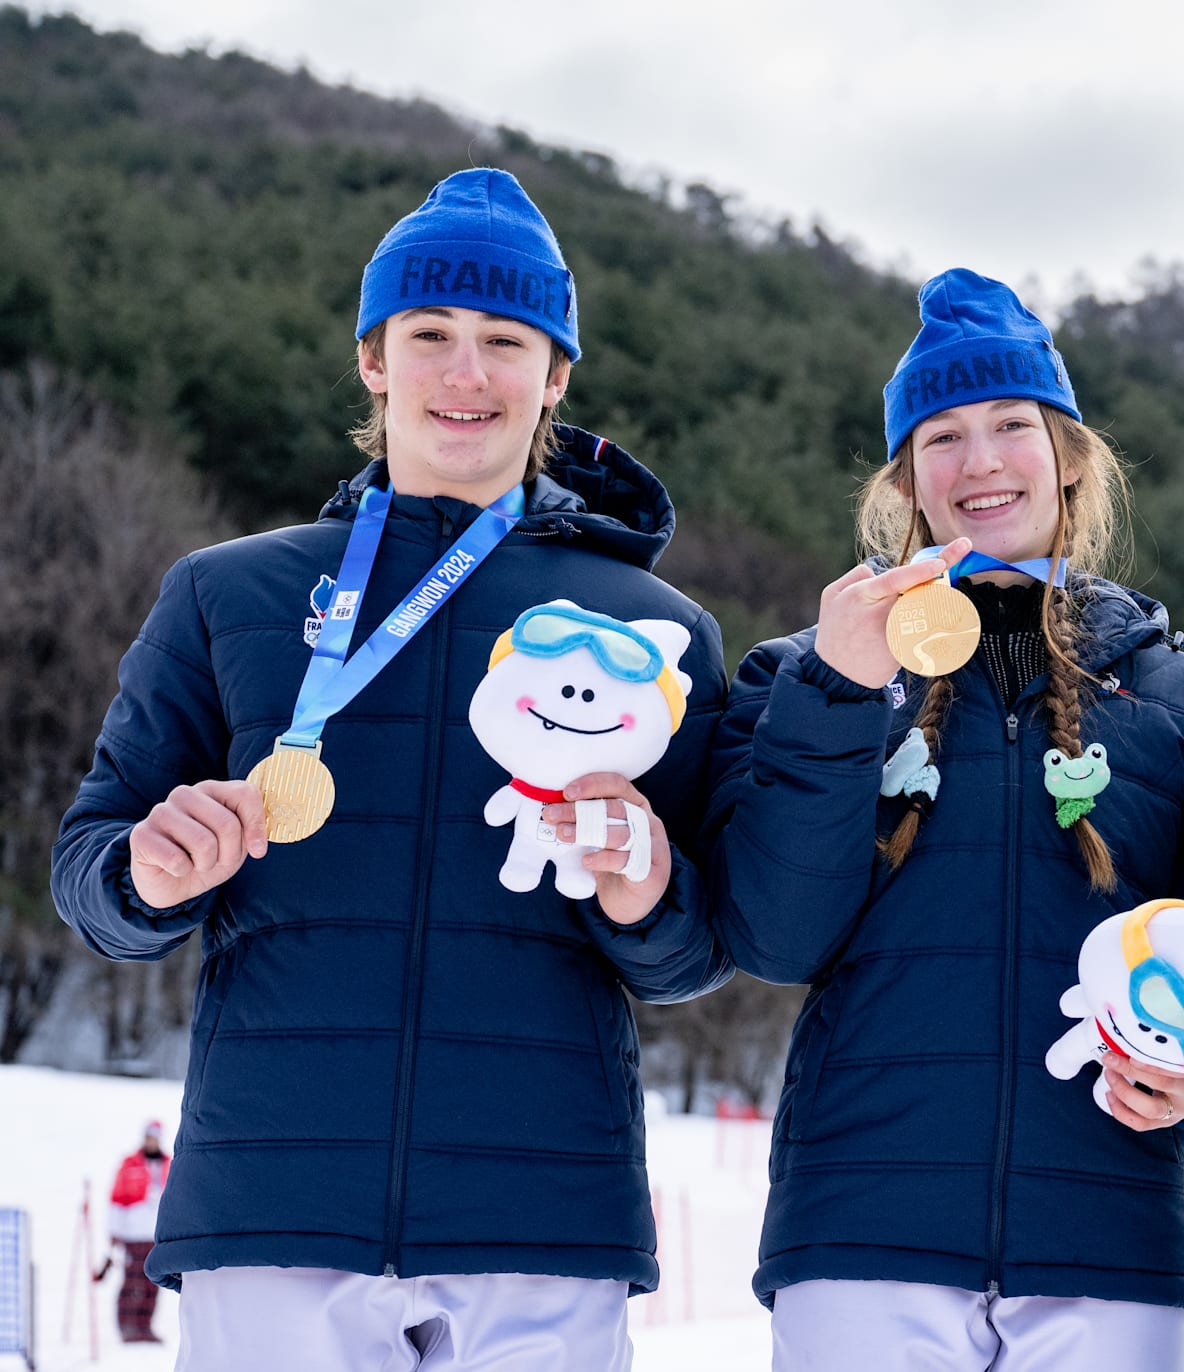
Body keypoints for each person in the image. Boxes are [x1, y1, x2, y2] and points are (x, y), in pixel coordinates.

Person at [51, 168, 731, 1369]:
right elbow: (90, 862)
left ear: (556, 376)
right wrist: (146, 874)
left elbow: (690, 950)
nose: (466, 372)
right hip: (275, 1201)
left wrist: (646, 888)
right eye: (429, 334)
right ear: (373, 358)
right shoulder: (228, 592)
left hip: (541, 1211)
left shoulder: (649, 629)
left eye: (505, 340)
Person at [705, 269, 1184, 1371]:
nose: (981, 462)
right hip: (862, 1231)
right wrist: (835, 693)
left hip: (1110, 1236)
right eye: (943, 437)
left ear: (1069, 454)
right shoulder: (801, 674)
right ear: (906, 477)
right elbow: (776, 936)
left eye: (1012, 424)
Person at [105, 1120, 172, 1344]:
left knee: (153, 1282)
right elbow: (117, 1198)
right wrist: (114, 1230)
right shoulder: (129, 1164)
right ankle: (127, 1325)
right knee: (132, 1281)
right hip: (133, 1233)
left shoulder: (169, 1163)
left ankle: (145, 1326)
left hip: (156, 1234)